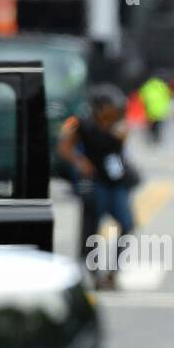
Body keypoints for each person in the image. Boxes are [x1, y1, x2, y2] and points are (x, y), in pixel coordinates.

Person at [58, 85, 135, 289]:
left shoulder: (119, 125)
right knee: (93, 229)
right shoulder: (82, 124)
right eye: (110, 106)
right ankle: (94, 273)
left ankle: (113, 272)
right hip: (95, 182)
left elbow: (123, 142)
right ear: (99, 107)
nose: (115, 110)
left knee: (127, 224)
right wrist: (79, 161)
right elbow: (64, 146)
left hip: (115, 182)